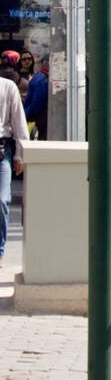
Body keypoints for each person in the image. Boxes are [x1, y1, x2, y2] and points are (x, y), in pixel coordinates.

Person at [0, 71, 28, 265]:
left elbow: (19, 122)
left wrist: (20, 154)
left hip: (3, 150)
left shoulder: (8, 87)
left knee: (2, 200)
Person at [24, 58, 49, 138]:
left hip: (33, 114)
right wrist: (32, 115)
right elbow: (37, 102)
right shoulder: (42, 79)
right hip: (40, 116)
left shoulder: (39, 76)